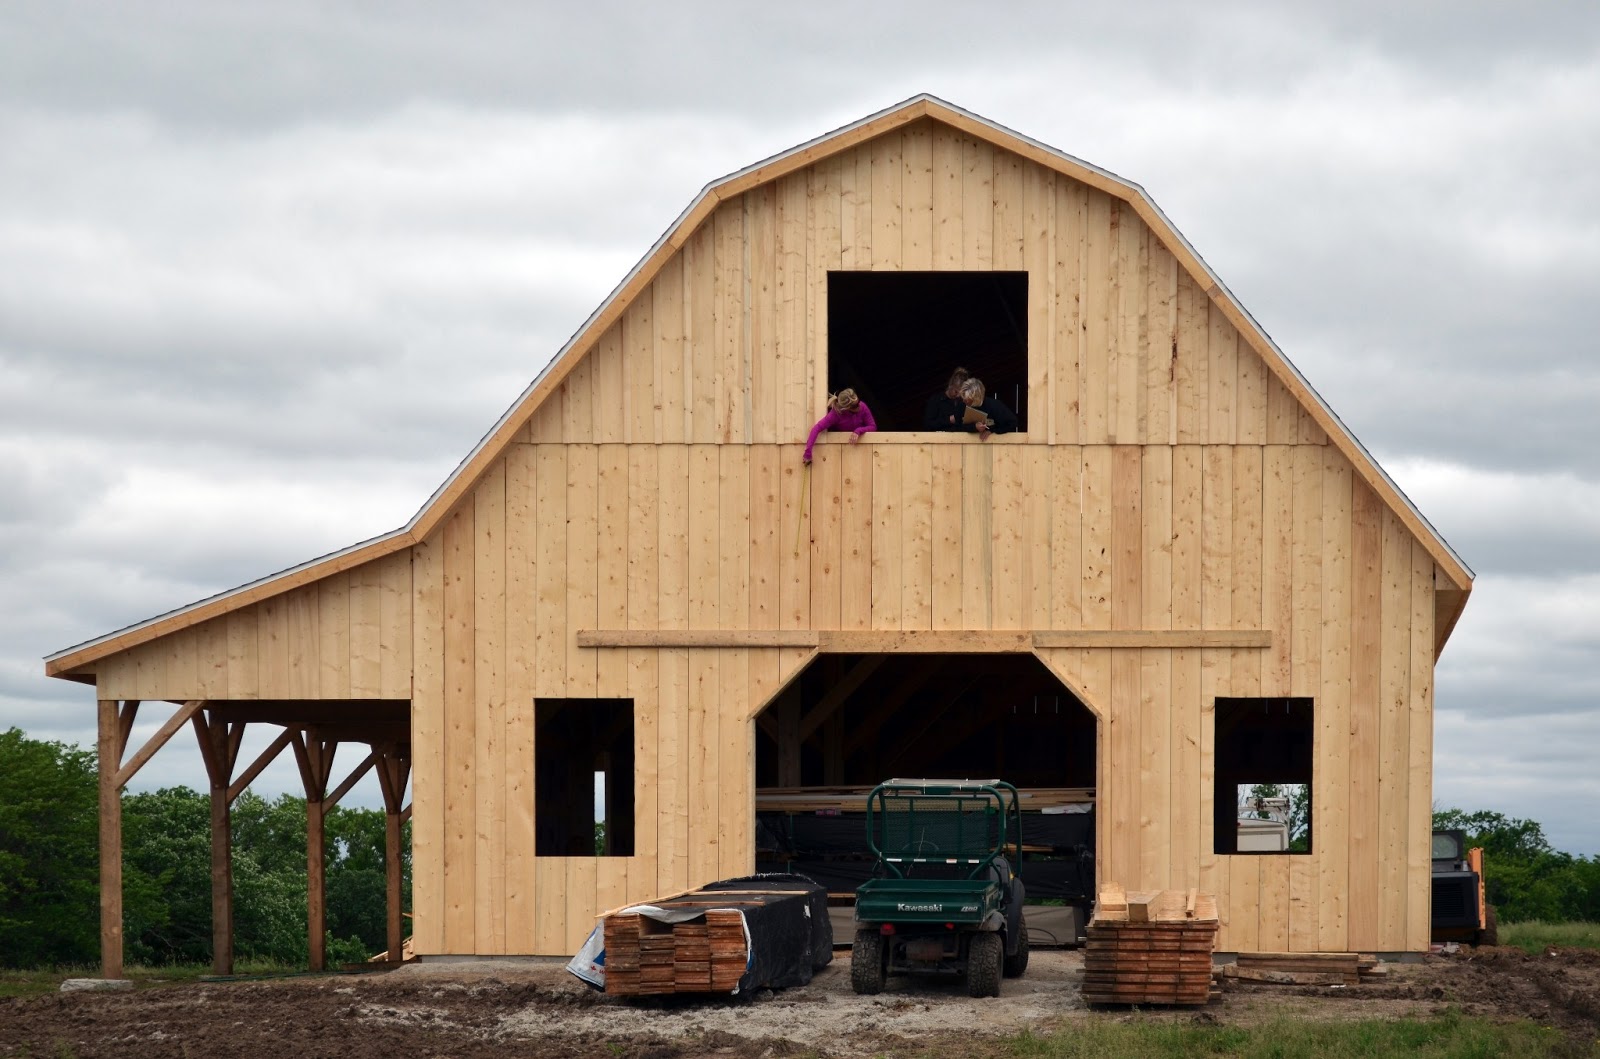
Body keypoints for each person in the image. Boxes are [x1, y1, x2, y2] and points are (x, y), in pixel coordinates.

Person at [803, 388, 876, 463]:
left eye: (858, 402)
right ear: (846, 408)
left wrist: (858, 431)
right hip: (841, 452)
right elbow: (817, 428)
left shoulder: (862, 406)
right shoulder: (835, 414)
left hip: (861, 451)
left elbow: (873, 427)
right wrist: (807, 453)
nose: (859, 406)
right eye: (855, 406)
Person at [922, 366, 971, 431]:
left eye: (961, 394)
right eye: (956, 391)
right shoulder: (936, 400)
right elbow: (928, 425)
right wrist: (949, 420)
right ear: (950, 385)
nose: (958, 396)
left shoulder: (963, 403)